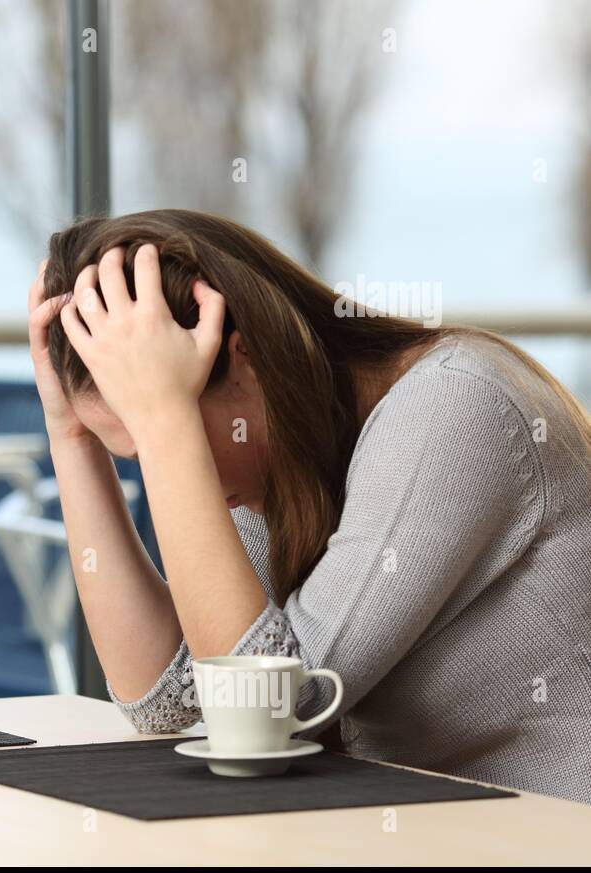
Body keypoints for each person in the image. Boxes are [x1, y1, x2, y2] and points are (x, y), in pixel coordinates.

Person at [29, 209, 591, 803]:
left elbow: (265, 717)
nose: (169, 470)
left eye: (168, 433)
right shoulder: (281, 453)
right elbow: (166, 699)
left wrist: (169, 425)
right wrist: (70, 439)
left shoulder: (454, 408)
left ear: (244, 358)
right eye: (138, 455)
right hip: (421, 834)